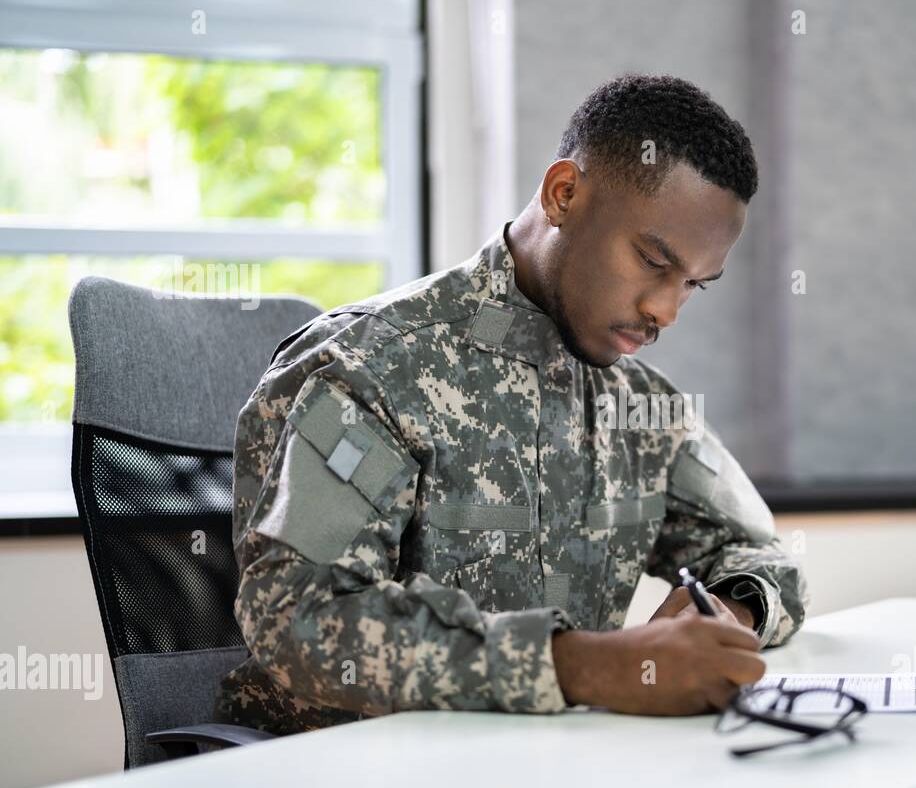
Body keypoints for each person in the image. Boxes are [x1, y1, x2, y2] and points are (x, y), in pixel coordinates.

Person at [213, 73, 809, 734]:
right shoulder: (369, 367)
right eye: (650, 260)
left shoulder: (640, 405)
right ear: (564, 195)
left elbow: (765, 556)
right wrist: (592, 667)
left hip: (551, 782)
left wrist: (729, 612)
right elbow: (299, 618)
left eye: (695, 284)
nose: (665, 309)